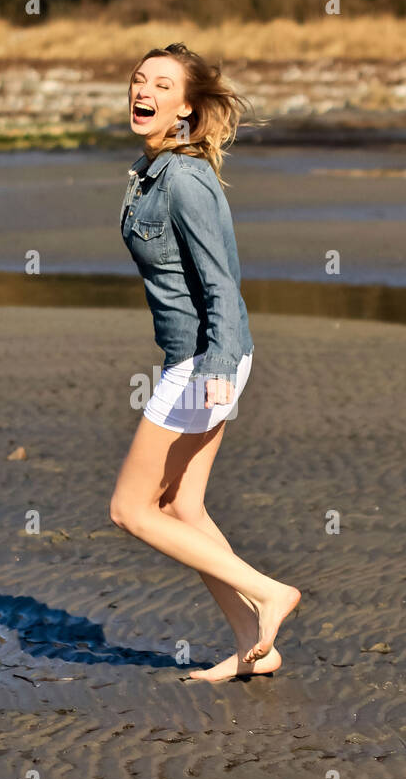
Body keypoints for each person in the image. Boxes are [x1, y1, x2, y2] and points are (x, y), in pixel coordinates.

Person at [109, 42, 301, 683]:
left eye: (163, 84)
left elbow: (222, 282)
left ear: (187, 106)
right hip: (196, 357)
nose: (145, 91)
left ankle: (269, 594)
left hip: (205, 360)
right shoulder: (150, 169)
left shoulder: (184, 179)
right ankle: (255, 643)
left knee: (132, 510)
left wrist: (215, 365)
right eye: (140, 80)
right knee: (184, 508)